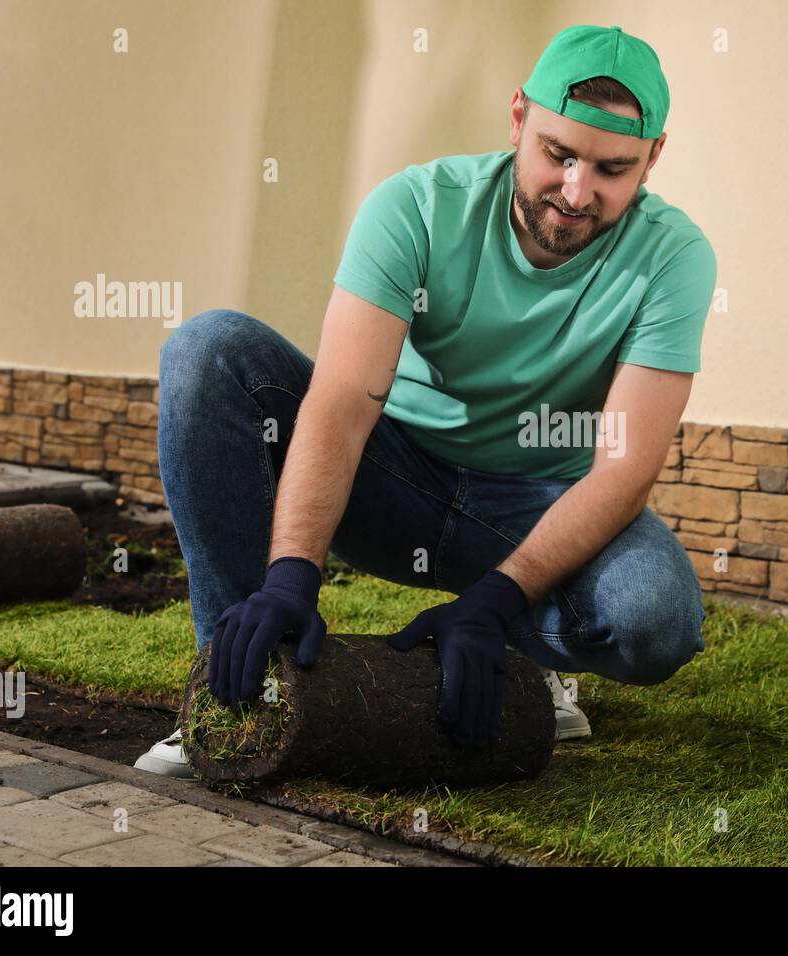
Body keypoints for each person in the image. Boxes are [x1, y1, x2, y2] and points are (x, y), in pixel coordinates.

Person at [135, 24, 717, 779]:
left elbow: (623, 469)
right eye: (558, 154)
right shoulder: (415, 206)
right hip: (393, 478)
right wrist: (292, 574)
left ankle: (520, 658)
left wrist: (499, 599)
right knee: (207, 349)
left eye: (612, 169)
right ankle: (236, 684)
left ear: (654, 157)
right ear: (518, 118)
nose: (577, 192)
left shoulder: (674, 257)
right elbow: (342, 403)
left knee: (655, 620)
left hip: (535, 504)